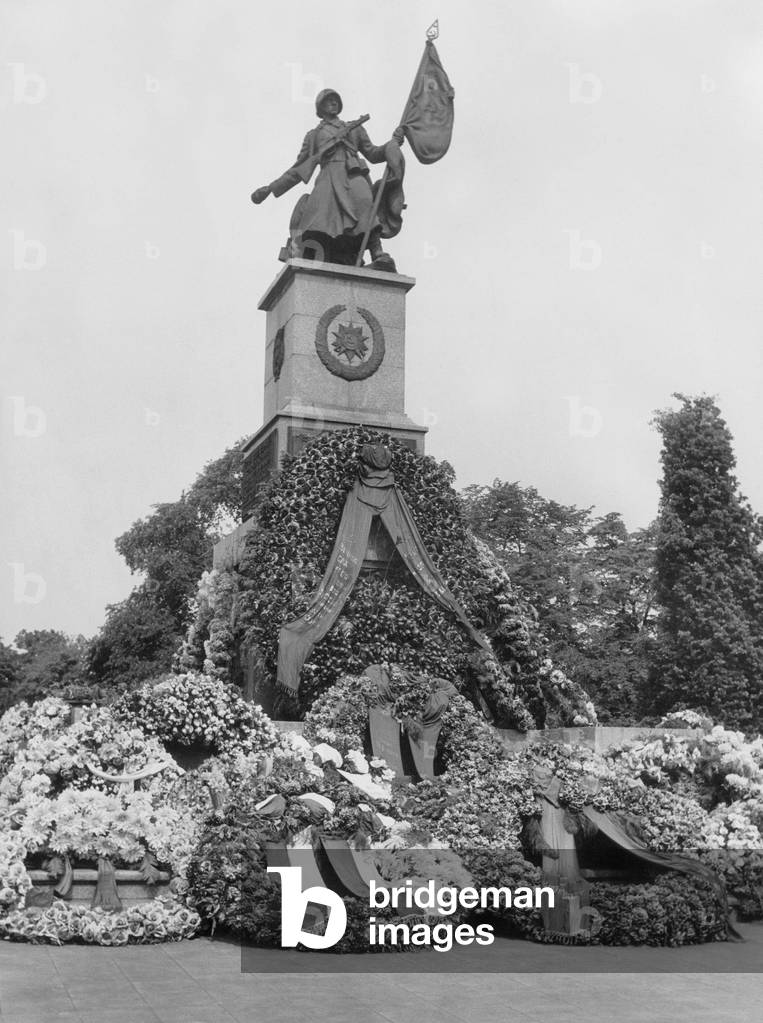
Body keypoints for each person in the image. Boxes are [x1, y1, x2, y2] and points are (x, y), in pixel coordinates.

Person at [251, 89, 403, 270]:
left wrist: (392, 143)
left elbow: (373, 153)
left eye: (335, 100)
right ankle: (313, 254)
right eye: (328, 101)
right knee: (317, 215)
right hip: (328, 177)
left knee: (364, 204)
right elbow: (299, 167)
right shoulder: (313, 136)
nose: (333, 103)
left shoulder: (355, 128)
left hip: (352, 173)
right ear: (320, 108)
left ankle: (377, 252)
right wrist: (270, 188)